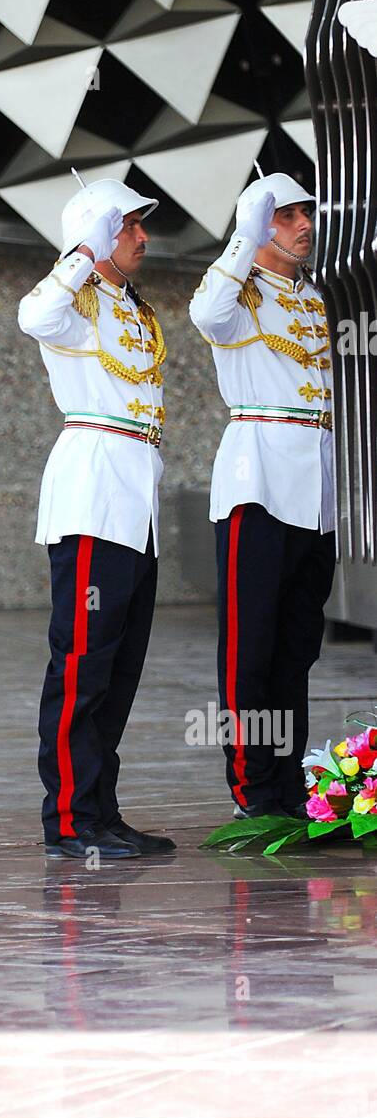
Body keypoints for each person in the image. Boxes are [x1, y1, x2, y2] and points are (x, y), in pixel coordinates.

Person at [18, 176, 175, 859]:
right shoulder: (70, 300)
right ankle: (70, 820)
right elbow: (34, 315)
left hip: (134, 499)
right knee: (81, 664)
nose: (143, 236)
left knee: (119, 667)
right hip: (92, 497)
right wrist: (84, 246)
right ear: (100, 233)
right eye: (130, 225)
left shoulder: (128, 305)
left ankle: (102, 811)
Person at [189, 171, 335, 819]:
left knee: (297, 645)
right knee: (250, 646)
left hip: (317, 485)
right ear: (259, 223)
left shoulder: (314, 298)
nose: (303, 224)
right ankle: (253, 790)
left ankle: (288, 784)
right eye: (287, 215)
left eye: (306, 212)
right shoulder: (236, 292)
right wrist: (245, 237)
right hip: (260, 481)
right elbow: (204, 313)